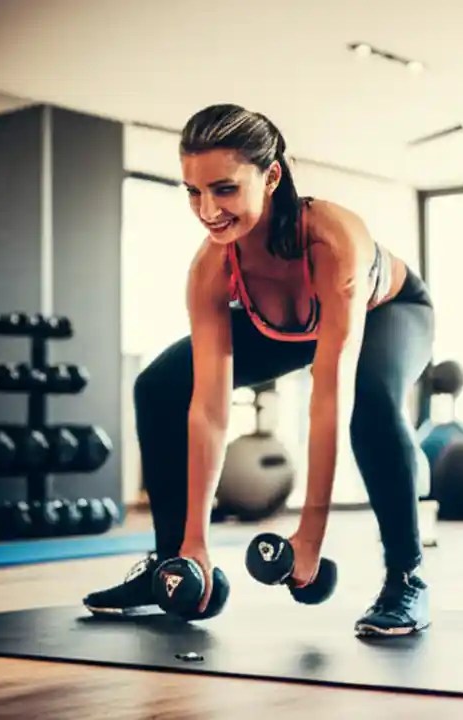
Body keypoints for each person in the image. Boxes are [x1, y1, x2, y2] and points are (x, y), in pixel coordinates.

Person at [83, 104, 435, 637]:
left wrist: (310, 533)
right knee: (159, 387)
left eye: (224, 189)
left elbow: (328, 394)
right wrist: (195, 541)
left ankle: (406, 579)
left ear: (271, 176)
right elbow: (209, 407)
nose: (207, 210)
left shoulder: (333, 240)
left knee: (371, 399)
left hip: (387, 311)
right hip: (284, 326)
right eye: (193, 192)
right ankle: (170, 564)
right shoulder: (210, 267)